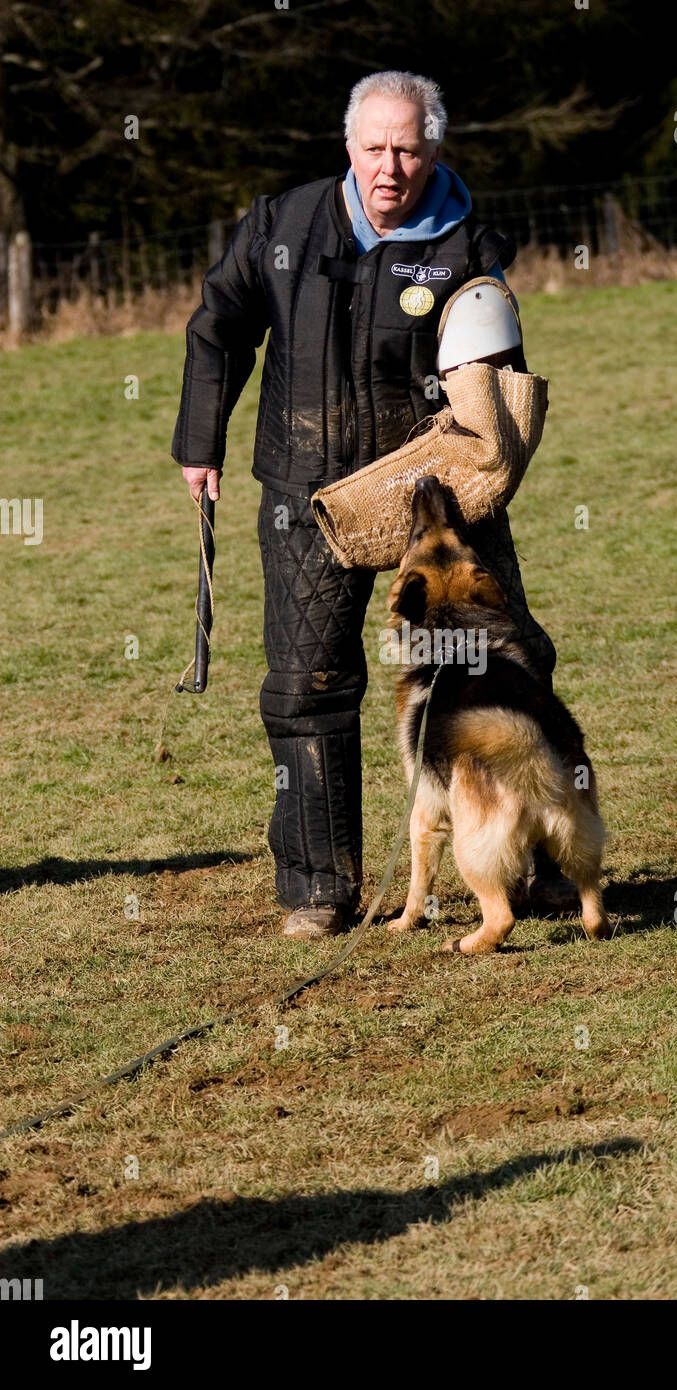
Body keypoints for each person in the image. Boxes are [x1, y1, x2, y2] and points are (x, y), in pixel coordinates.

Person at [172, 70, 556, 940]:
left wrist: (479, 462)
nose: (390, 166)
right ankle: (319, 887)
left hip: (438, 494)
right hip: (305, 488)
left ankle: (526, 865)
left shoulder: (469, 245)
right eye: (375, 147)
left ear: (433, 150)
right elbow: (218, 324)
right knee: (307, 687)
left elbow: (495, 388)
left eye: (408, 149)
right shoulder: (282, 225)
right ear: (349, 145)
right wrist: (202, 442)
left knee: (500, 664)